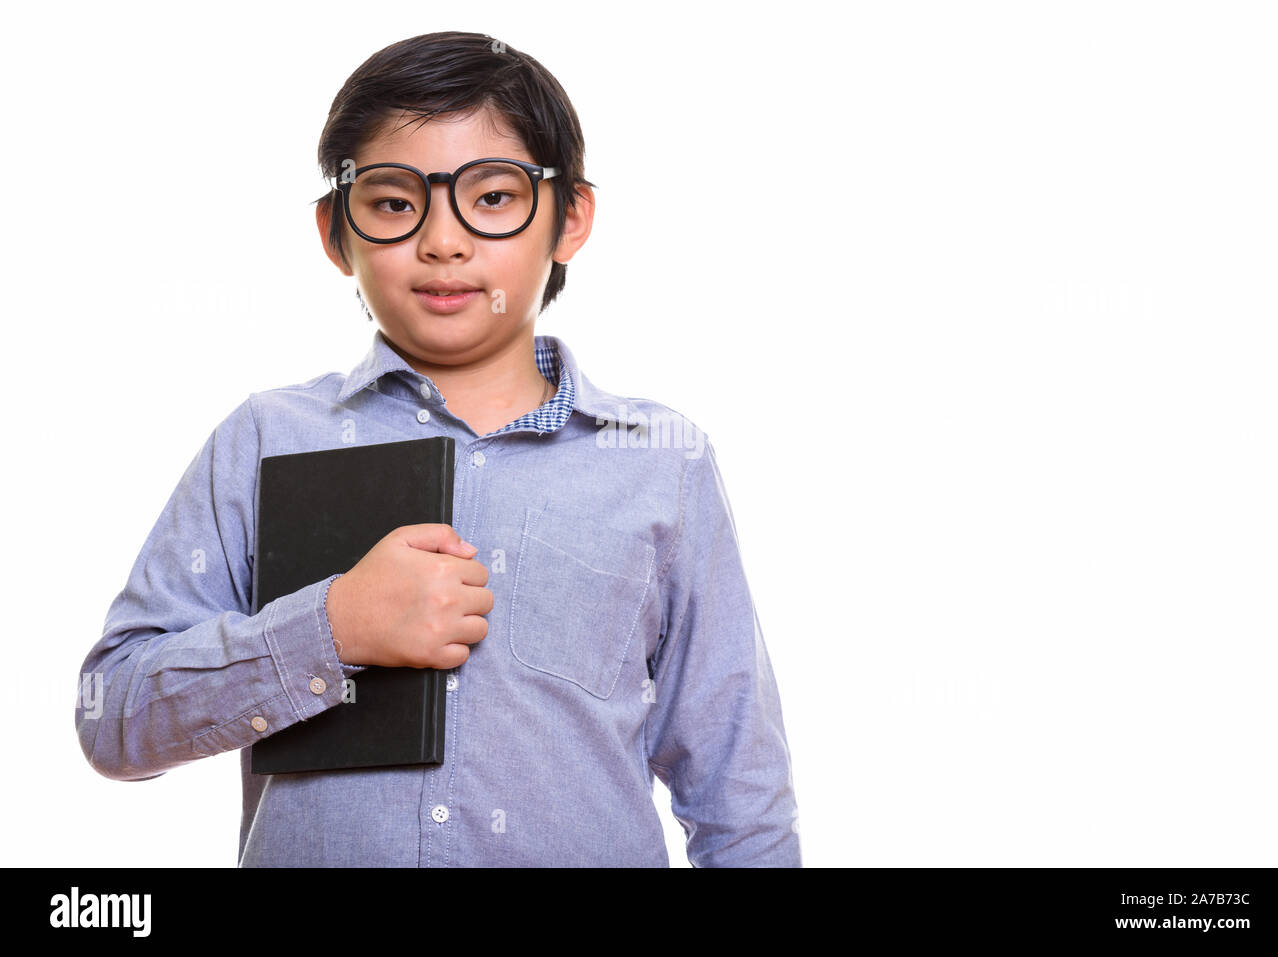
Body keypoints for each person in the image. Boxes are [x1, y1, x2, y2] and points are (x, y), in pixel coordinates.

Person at [75, 30, 801, 867]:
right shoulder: (267, 439)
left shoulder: (661, 464)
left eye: (492, 198)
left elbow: (739, 789)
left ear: (570, 218)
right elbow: (112, 717)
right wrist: (331, 628)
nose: (443, 241)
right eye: (392, 202)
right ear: (333, 229)